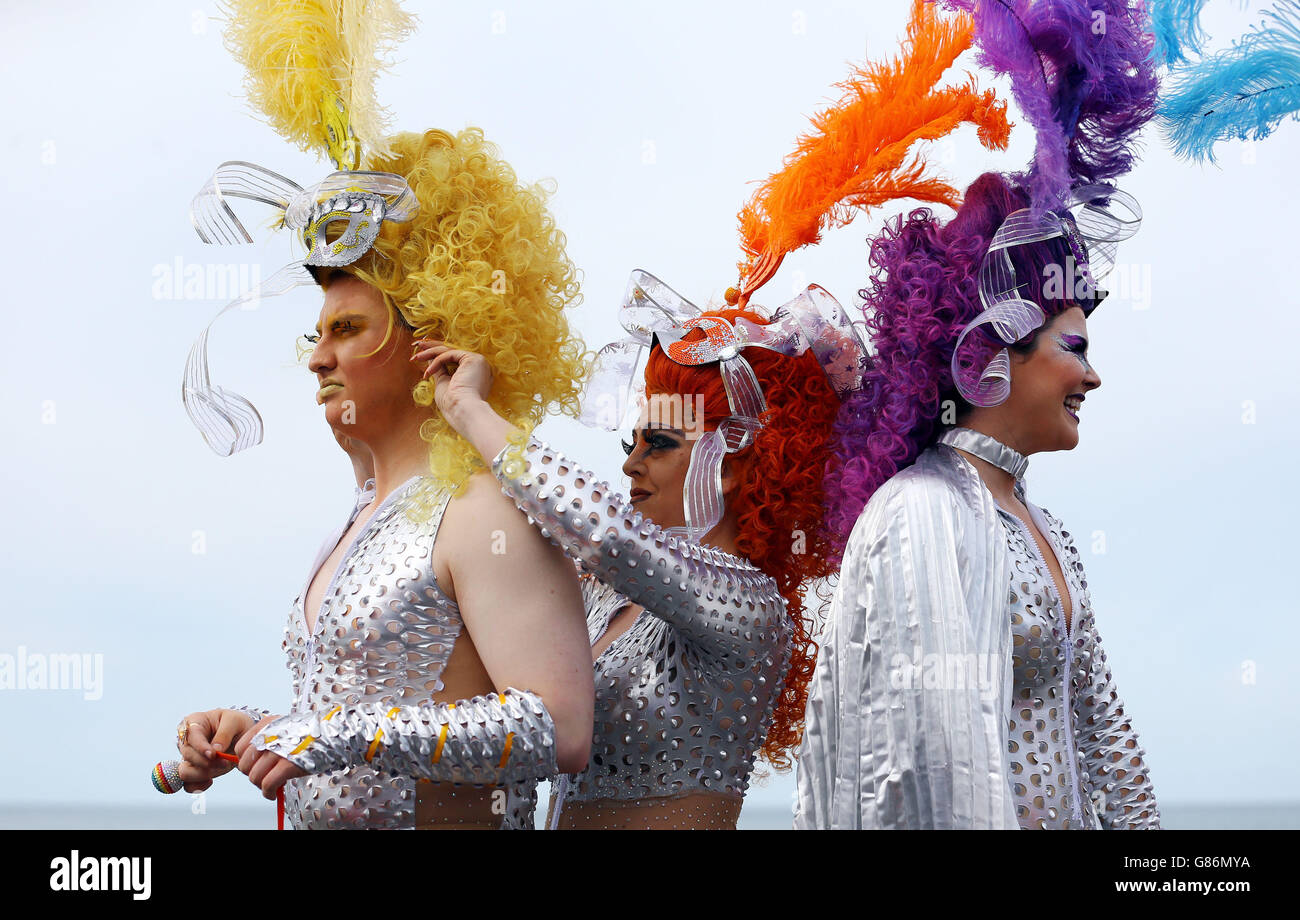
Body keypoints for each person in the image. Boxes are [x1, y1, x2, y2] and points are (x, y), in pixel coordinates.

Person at [172, 2, 594, 829]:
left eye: (347, 330)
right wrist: (259, 733)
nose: (317, 357)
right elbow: (362, 721)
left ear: (428, 343)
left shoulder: (485, 508)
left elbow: (559, 727)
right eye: (316, 333)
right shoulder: (363, 517)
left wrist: (338, 733)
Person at [414, 271, 854, 829]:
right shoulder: (599, 595)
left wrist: (471, 410)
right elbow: (505, 540)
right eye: (633, 442)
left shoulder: (749, 604)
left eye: (660, 444)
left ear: (731, 468)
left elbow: (598, 528)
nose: (630, 464)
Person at [796, 172, 1160, 829]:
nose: (1093, 376)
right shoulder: (920, 513)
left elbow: (1105, 738)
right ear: (991, 353)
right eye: (1074, 348)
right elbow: (921, 770)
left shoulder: (1048, 531)